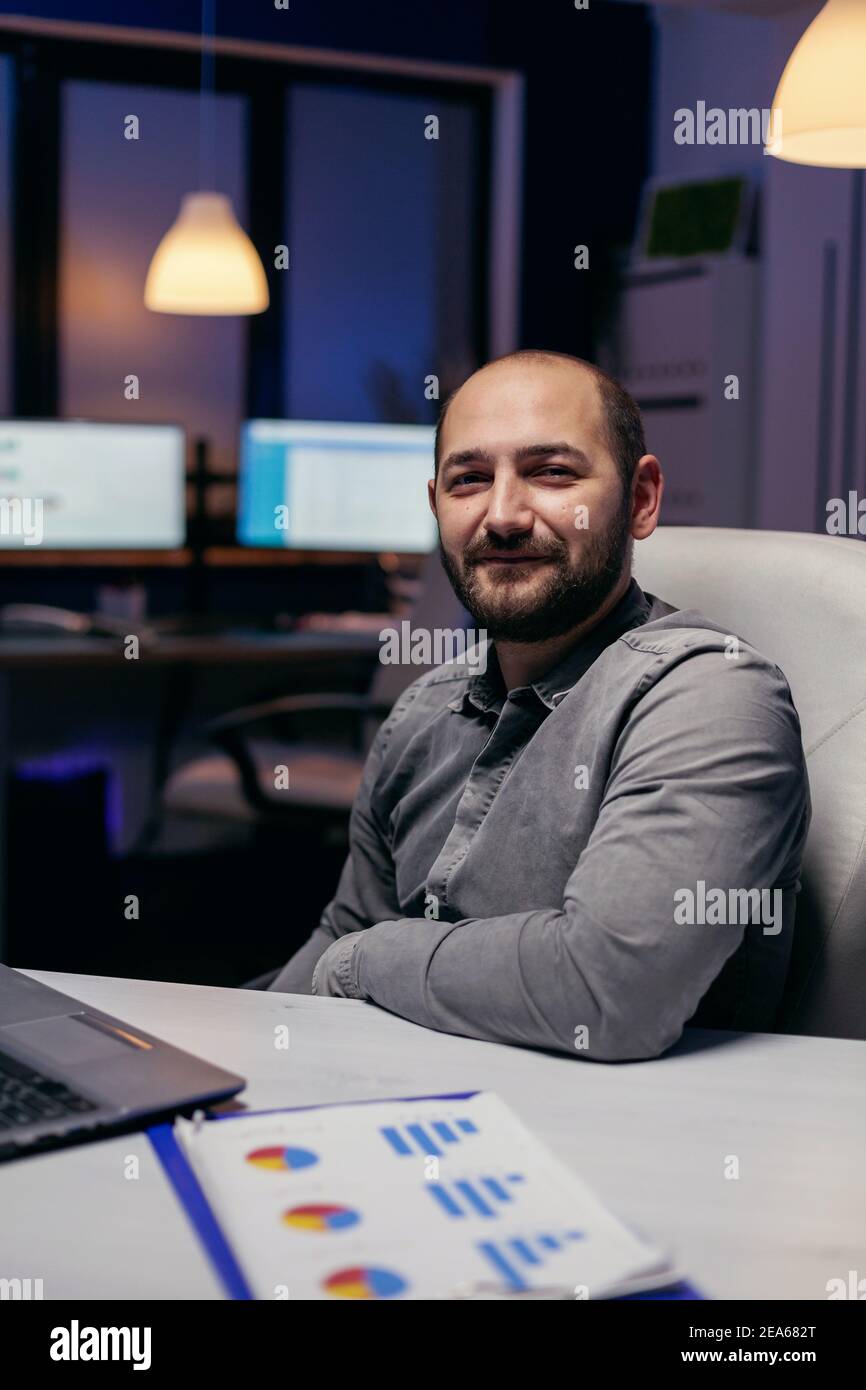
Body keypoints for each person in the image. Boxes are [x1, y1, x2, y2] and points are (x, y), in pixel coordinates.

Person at [268, 349, 811, 1061]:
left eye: (552, 473)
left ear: (642, 500)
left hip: (632, 1153)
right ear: (436, 507)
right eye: (468, 481)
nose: (502, 516)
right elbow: (340, 931)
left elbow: (609, 991)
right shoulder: (423, 709)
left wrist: (363, 961)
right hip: (409, 1120)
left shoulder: (712, 697)